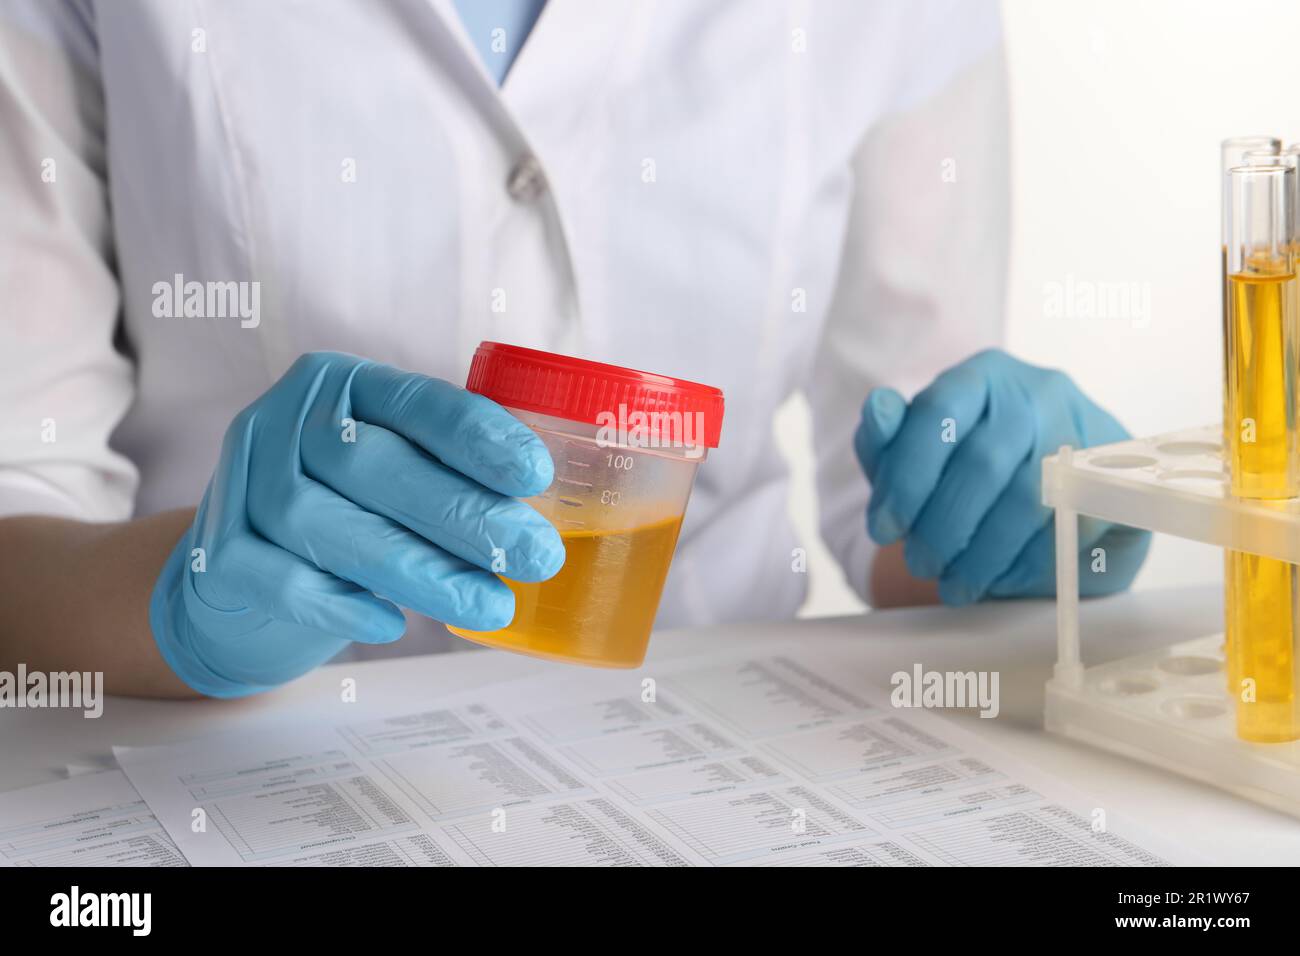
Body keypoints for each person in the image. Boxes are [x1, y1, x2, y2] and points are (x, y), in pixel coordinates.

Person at [0, 0, 1150, 698]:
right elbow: (19, 504)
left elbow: (896, 507)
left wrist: (1028, 523)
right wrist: (185, 602)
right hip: (238, 766)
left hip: (729, 753)